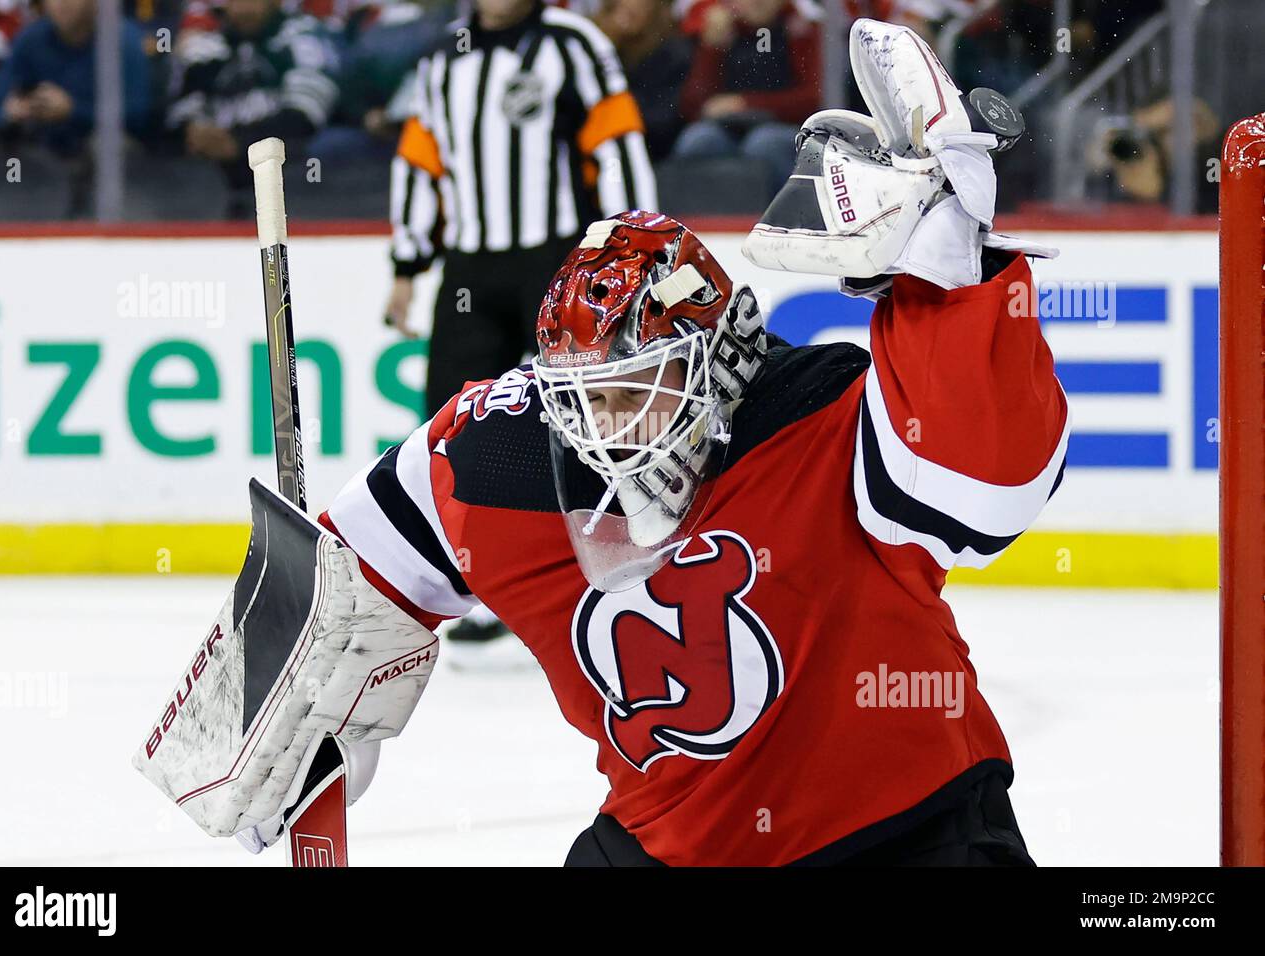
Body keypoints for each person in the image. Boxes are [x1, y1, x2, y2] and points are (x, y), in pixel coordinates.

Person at [302, 20, 1068, 864]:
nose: (604, 428)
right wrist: (308, 702)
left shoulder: (824, 412)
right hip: (674, 845)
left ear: (721, 355)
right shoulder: (501, 449)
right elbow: (342, 566)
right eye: (581, 398)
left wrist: (949, 267)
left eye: (634, 386)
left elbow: (981, 499)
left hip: (909, 826)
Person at [383, 0, 657, 657]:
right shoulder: (443, 57)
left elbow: (617, 144)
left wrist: (633, 251)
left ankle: (615, 568)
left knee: (587, 419)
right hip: (471, 263)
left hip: (558, 258)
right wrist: (406, 263)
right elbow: (422, 160)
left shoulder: (574, 45)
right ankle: (482, 580)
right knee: (452, 421)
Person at [165, 0, 339, 214]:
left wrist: (240, 143)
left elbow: (308, 112)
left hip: (291, 166)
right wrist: (194, 132)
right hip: (214, 169)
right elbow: (181, 110)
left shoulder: (302, 37)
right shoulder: (205, 47)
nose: (243, 9)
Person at [674, 0, 820, 195]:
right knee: (698, 140)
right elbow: (691, 106)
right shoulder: (725, 29)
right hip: (729, 129)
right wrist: (711, 49)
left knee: (765, 143)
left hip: (788, 127)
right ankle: (707, 220)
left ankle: (778, 219)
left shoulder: (801, 29)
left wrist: (746, 104)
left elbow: (815, 99)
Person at [0, 0, 151, 157]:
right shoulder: (31, 38)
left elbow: (137, 117)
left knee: (111, 146)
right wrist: (13, 112)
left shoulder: (122, 39)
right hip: (41, 146)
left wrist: (72, 110)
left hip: (100, 149)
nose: (62, 3)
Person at [593, 0, 691, 163]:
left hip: (655, 155)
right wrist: (606, 46)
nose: (629, 5)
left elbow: (663, 120)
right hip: (602, 149)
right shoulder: (600, 47)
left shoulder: (673, 52)